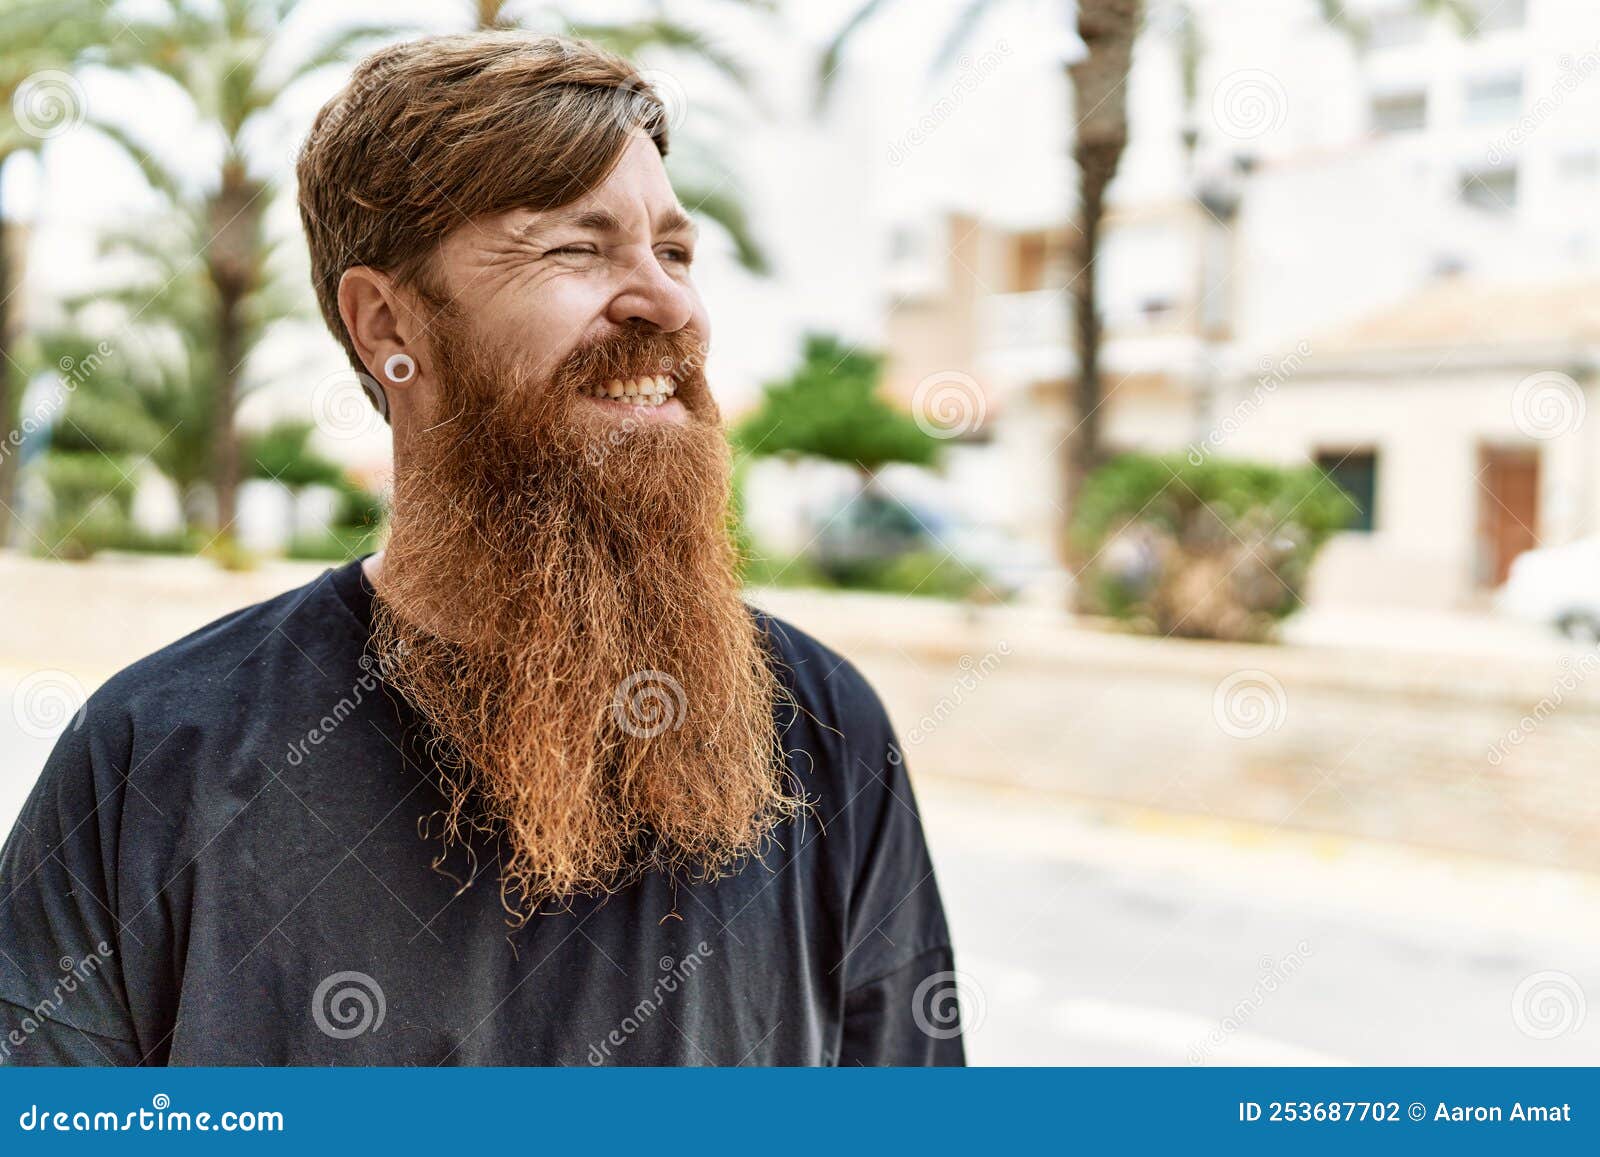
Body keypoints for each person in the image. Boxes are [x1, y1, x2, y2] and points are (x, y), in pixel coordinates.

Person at [0, 31, 962, 1066]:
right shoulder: (157, 759)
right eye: (576, 249)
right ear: (386, 324)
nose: (670, 301)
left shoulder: (823, 730)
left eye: (676, 253)